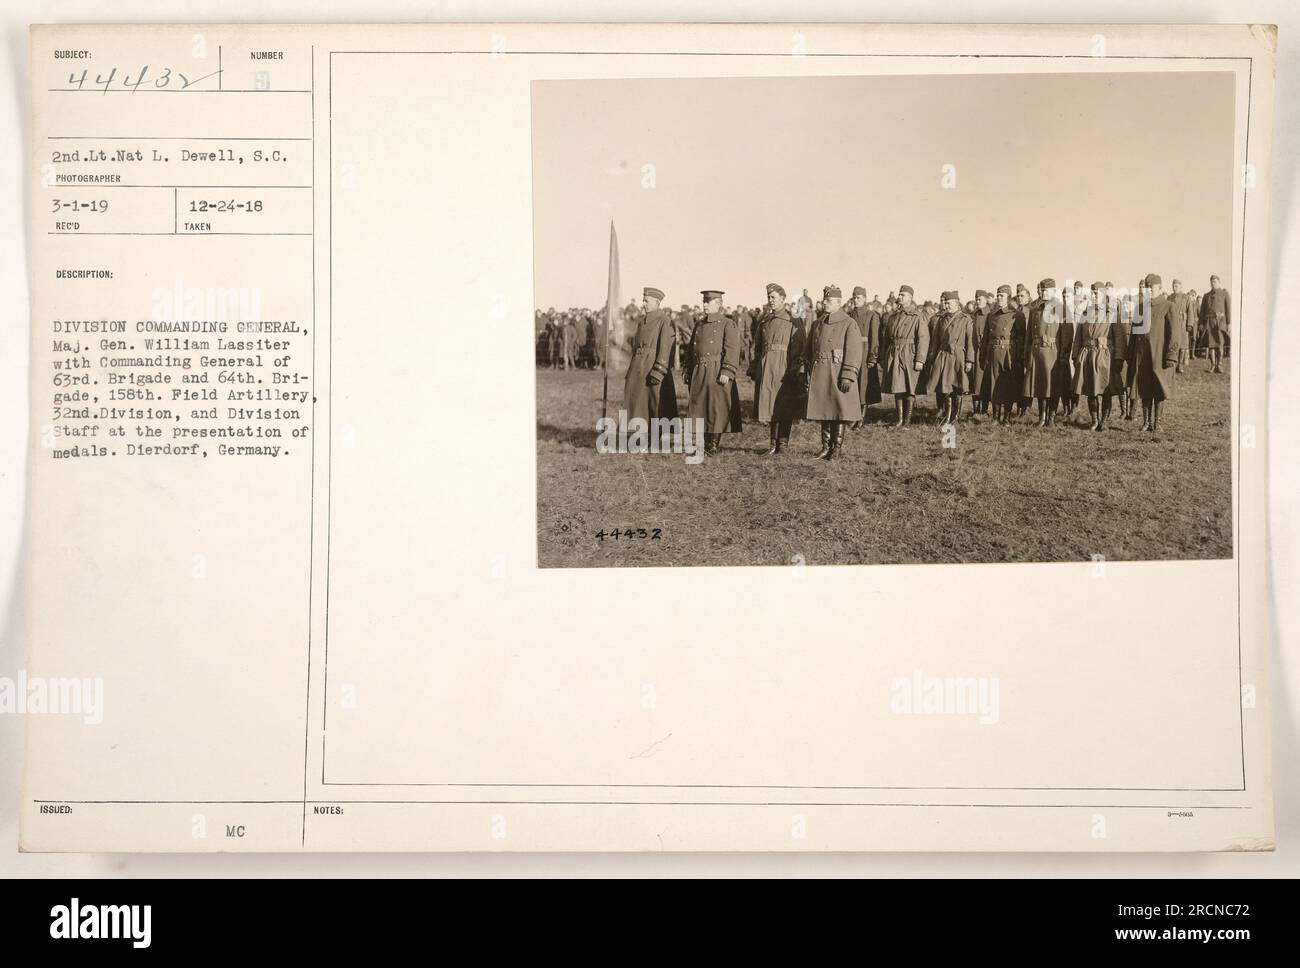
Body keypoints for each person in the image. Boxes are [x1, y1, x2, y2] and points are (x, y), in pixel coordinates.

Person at [803, 285, 863, 459]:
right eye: (824, 300)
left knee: (839, 410)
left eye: (829, 301)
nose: (825, 303)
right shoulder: (817, 323)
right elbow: (808, 350)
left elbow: (854, 352)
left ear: (839, 302)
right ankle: (825, 446)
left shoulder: (848, 323)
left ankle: (836, 448)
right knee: (824, 409)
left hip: (837, 372)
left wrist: (848, 375)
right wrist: (805, 369)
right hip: (821, 371)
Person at [684, 289, 743, 457]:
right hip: (700, 370)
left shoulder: (727, 323)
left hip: (717, 370)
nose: (704, 305)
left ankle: (713, 445)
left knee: (716, 408)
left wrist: (727, 370)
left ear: (718, 304)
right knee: (701, 406)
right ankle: (703, 443)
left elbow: (732, 349)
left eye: (707, 302)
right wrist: (688, 369)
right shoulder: (699, 324)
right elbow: (691, 350)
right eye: (703, 301)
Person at [622, 287, 679, 435]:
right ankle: (637, 432)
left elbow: (666, 349)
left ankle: (654, 435)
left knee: (654, 403)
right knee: (637, 402)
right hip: (638, 367)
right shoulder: (642, 322)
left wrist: (659, 371)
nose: (643, 304)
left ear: (657, 302)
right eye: (643, 300)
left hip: (653, 367)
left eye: (646, 301)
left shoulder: (664, 321)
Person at [1128, 272, 1182, 431]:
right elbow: (1134, 332)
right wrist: (1131, 353)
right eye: (1146, 288)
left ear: (1160, 288)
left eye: (1152, 288)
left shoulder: (1168, 306)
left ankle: (1157, 423)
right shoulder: (1140, 308)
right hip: (1143, 355)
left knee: (1159, 387)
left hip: (1159, 355)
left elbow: (1175, 333)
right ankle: (1146, 422)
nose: (1149, 291)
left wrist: (1172, 354)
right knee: (1144, 387)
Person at [918, 290, 974, 426]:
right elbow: (935, 341)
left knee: (958, 388)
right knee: (946, 388)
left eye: (949, 303)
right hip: (943, 356)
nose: (946, 306)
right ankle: (947, 416)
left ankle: (955, 416)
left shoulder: (966, 319)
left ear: (956, 303)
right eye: (945, 303)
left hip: (958, 357)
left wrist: (969, 360)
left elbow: (970, 342)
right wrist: (932, 358)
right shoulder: (941, 320)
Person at [878, 284, 929, 427]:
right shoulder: (893, 317)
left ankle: (907, 421)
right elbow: (886, 339)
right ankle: (899, 419)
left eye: (903, 295)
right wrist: (882, 357)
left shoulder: (918, 316)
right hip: (894, 353)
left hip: (910, 354)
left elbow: (924, 339)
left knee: (910, 387)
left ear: (911, 298)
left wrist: (920, 359)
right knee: (897, 386)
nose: (899, 297)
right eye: (899, 295)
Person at [1071, 282, 1114, 431]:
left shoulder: (1111, 313)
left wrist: (1119, 357)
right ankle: (1094, 420)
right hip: (1087, 354)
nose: (1094, 296)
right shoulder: (1085, 313)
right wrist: (1075, 355)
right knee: (1091, 389)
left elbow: (1119, 337)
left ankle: (1104, 420)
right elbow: (1077, 337)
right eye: (1093, 293)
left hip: (1104, 355)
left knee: (1105, 389)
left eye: (1097, 293)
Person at [1022, 278, 1064, 427]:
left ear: (1053, 291)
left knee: (1052, 386)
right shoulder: (1035, 309)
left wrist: (1064, 354)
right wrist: (1027, 353)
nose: (1042, 292)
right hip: (1037, 352)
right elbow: (1029, 334)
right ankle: (1042, 417)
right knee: (1040, 385)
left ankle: (1051, 418)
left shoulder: (1061, 308)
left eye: (1046, 290)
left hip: (1053, 352)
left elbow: (1067, 334)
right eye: (1041, 289)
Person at [753, 283, 794, 430]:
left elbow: (798, 346)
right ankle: (772, 444)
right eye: (768, 297)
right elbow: (757, 345)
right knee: (768, 403)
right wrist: (755, 366)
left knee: (783, 403)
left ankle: (782, 444)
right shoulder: (765, 320)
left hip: (783, 365)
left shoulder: (792, 320)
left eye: (773, 297)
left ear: (783, 298)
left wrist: (794, 369)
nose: (770, 300)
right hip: (767, 363)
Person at [982, 284, 1023, 425]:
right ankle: (995, 417)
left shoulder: (1016, 315)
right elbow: (986, 339)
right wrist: (983, 357)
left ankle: (1006, 417)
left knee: (1008, 386)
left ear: (1008, 297)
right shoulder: (991, 315)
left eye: (1002, 296)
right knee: (993, 384)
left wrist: (1018, 357)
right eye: (997, 295)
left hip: (1008, 354)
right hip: (993, 353)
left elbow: (1021, 338)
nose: (998, 298)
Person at [848, 285, 882, 426]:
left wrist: (872, 357)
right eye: (854, 298)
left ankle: (861, 417)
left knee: (864, 385)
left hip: (865, 352)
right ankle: (852, 415)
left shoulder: (872, 315)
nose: (856, 300)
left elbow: (874, 338)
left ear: (865, 299)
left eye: (859, 298)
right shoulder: (849, 315)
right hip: (851, 352)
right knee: (852, 383)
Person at [1200, 274, 1231, 373]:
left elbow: (1228, 309)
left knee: (1220, 344)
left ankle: (1219, 365)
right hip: (1209, 322)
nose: (1213, 284)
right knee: (1211, 344)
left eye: (1215, 282)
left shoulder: (1224, 294)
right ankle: (1213, 365)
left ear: (1219, 282)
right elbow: (1202, 311)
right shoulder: (1206, 296)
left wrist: (1229, 323)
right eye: (1212, 282)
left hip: (1220, 322)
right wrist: (1201, 323)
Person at [968, 290, 992, 414]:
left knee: (985, 381)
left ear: (986, 299)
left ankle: (985, 409)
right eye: (976, 299)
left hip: (986, 352)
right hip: (974, 350)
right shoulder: (973, 314)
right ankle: (976, 410)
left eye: (980, 299)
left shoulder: (991, 314)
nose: (977, 302)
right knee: (975, 382)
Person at [1168, 279, 1195, 374]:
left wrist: (1190, 324)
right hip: (1172, 325)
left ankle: (1180, 365)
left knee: (1183, 346)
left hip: (1183, 325)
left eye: (1176, 286)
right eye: (1173, 286)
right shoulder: (1169, 298)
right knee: (1173, 344)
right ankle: (1173, 364)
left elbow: (1190, 312)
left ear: (1181, 287)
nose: (1174, 288)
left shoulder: (1186, 298)